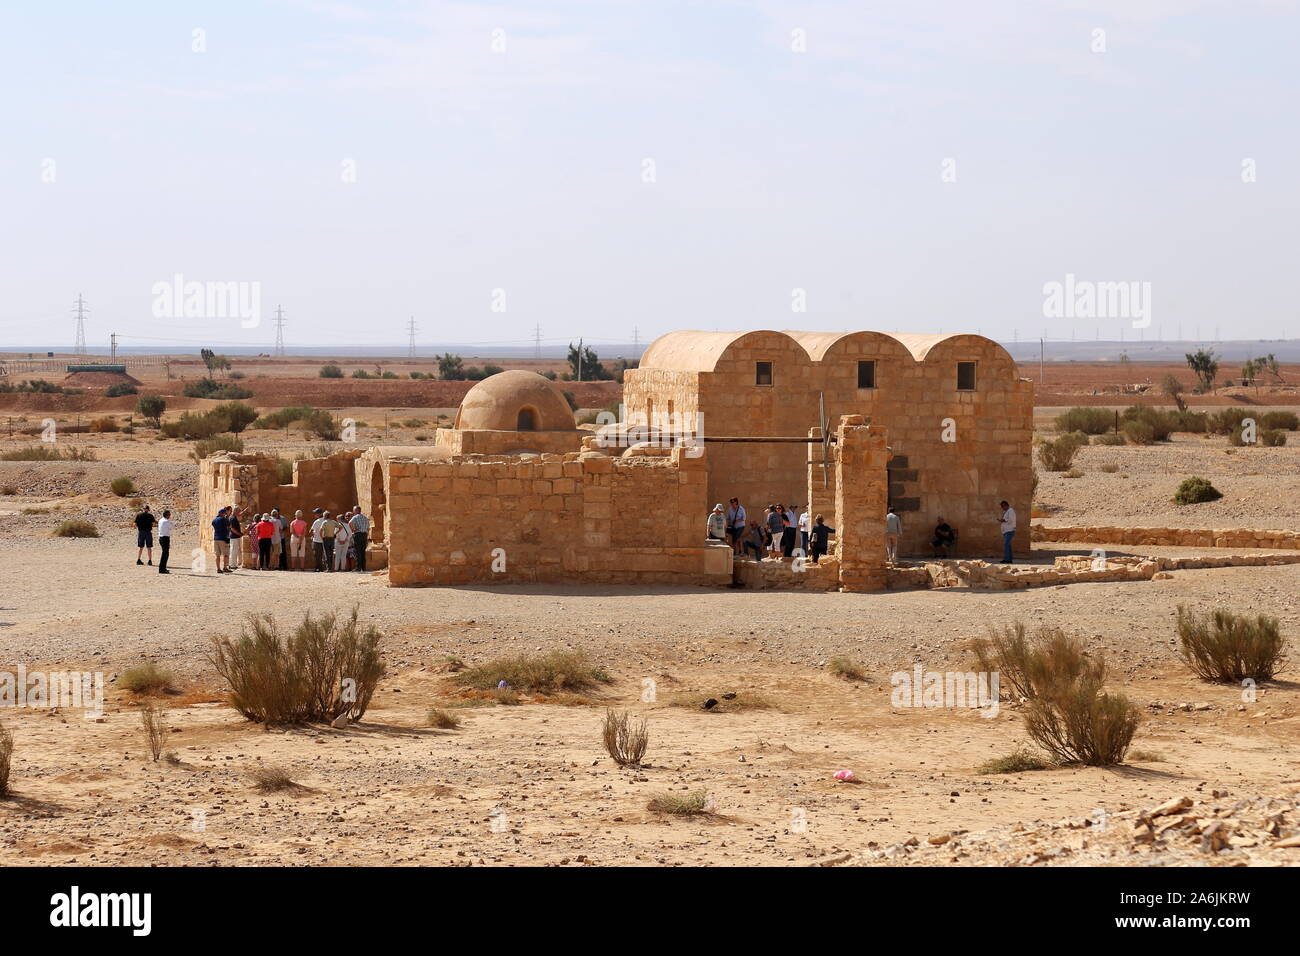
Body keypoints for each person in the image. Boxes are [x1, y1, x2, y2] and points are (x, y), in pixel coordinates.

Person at [211, 506, 232, 574]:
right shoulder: (223, 519)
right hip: (223, 538)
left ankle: (218, 569)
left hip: (216, 538)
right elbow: (229, 526)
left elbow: (213, 525)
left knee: (217, 555)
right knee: (226, 554)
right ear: (223, 513)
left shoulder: (214, 520)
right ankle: (225, 568)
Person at [349, 506, 370, 572]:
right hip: (364, 535)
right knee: (363, 551)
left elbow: (350, 523)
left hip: (358, 534)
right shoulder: (365, 518)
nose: (353, 512)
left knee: (358, 551)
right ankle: (363, 567)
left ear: (356, 510)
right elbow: (368, 527)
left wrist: (353, 530)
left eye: (354, 510)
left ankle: (358, 567)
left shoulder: (355, 517)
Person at [157, 509, 173, 574]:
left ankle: (163, 568)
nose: (170, 515)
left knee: (164, 553)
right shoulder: (166, 521)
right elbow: (172, 527)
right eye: (169, 514)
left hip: (161, 538)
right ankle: (162, 569)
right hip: (165, 538)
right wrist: (170, 522)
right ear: (167, 515)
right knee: (165, 554)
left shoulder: (161, 520)